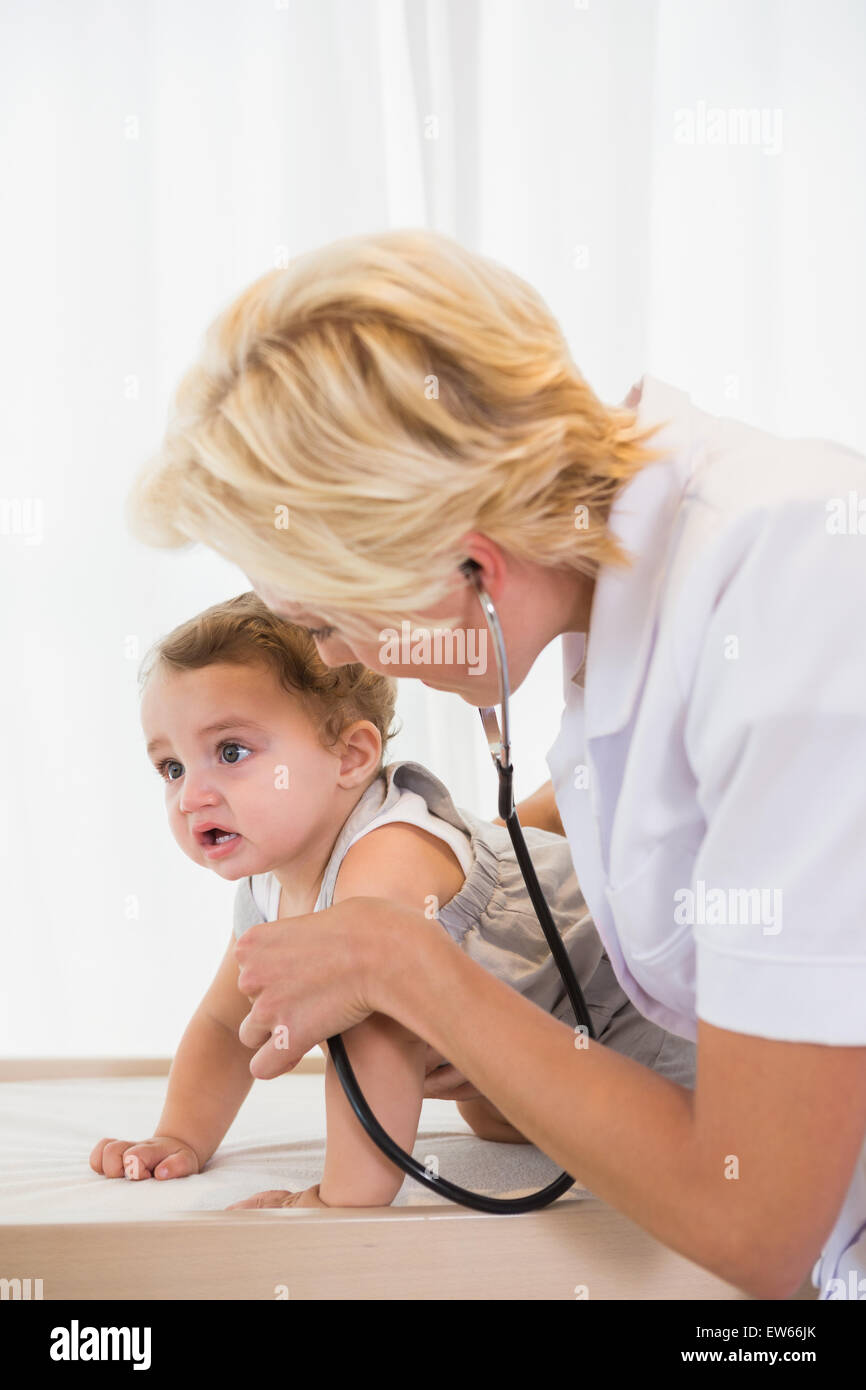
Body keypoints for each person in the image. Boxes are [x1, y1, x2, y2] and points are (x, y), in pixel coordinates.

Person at [125, 227, 866, 1300]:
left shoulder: (792, 583)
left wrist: (418, 972)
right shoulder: (624, 608)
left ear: (468, 566)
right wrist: (445, 922)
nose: (339, 656)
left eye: (331, 621)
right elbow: (676, 808)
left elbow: (757, 1224)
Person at [89, 593, 694, 1209]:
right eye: (171, 768)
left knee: (641, 1136)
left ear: (351, 756)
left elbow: (378, 1039)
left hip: (631, 1018)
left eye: (231, 753)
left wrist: (342, 1200)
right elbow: (226, 1024)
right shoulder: (268, 879)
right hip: (544, 1051)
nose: (191, 797)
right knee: (488, 1116)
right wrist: (179, 1136)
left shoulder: (387, 855)